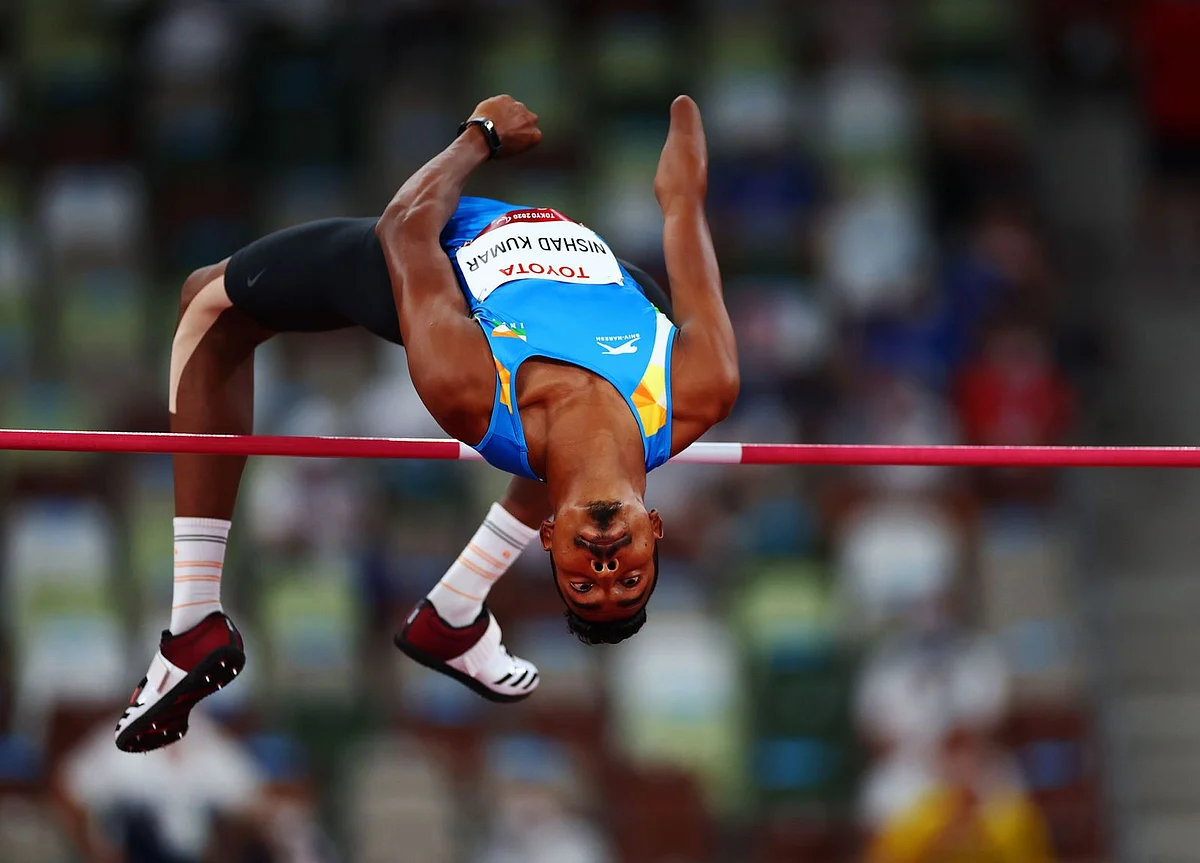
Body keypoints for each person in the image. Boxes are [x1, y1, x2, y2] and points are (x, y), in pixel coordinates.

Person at [116, 94, 739, 753]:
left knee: (204, 305)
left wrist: (479, 138)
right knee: (587, 446)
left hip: (445, 258)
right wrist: (681, 182)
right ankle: (454, 612)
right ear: (655, 530)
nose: (606, 566)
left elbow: (405, 227)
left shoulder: (467, 389)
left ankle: (193, 624)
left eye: (583, 580)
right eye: (629, 576)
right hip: (616, 287)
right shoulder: (702, 388)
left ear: (550, 537)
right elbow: (683, 214)